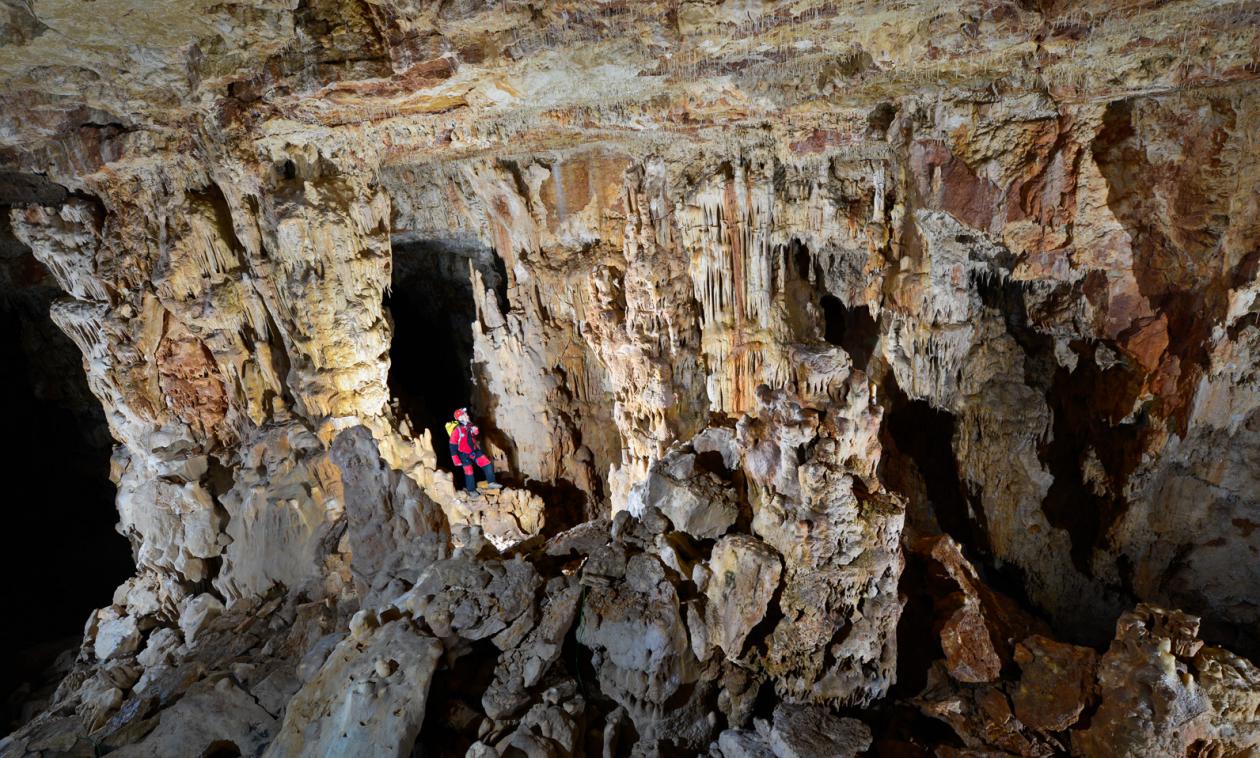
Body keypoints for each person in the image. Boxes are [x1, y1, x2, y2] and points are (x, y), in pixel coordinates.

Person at [446, 407, 501, 497]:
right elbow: (452, 445)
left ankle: (491, 482)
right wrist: (455, 459)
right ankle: (471, 490)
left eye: (466, 414)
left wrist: (475, 430)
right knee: (469, 471)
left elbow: (475, 434)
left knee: (486, 463)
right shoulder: (457, 430)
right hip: (463, 454)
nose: (467, 415)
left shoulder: (469, 425)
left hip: (474, 451)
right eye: (464, 414)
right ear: (460, 418)